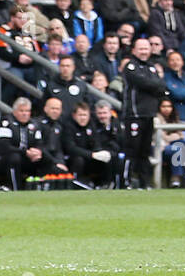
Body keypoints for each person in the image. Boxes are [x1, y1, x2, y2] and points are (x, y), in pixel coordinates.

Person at [119, 37, 170, 189]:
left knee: (145, 151)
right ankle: (125, 182)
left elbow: (161, 86)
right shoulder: (130, 66)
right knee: (132, 150)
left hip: (149, 115)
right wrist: (155, 85)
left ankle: (144, 182)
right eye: (140, 48)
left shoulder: (151, 67)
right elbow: (144, 83)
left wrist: (154, 85)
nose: (143, 52)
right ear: (134, 50)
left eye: (146, 48)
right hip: (134, 115)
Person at [0, 97, 45, 191]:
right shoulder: (5, 123)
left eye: (27, 111)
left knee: (42, 158)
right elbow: (4, 146)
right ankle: (16, 189)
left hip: (24, 158)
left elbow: (39, 142)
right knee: (14, 158)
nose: (25, 114)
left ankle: (41, 188)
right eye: (21, 111)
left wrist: (37, 151)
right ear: (15, 111)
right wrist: (25, 152)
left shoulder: (34, 125)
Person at [62, 101, 114, 188]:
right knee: (79, 160)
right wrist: (92, 155)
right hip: (73, 159)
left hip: (89, 157)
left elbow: (96, 142)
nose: (83, 118)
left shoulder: (91, 126)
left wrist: (100, 152)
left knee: (106, 158)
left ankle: (106, 184)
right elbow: (70, 148)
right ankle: (76, 183)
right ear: (74, 115)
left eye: (85, 115)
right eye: (80, 115)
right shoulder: (68, 127)